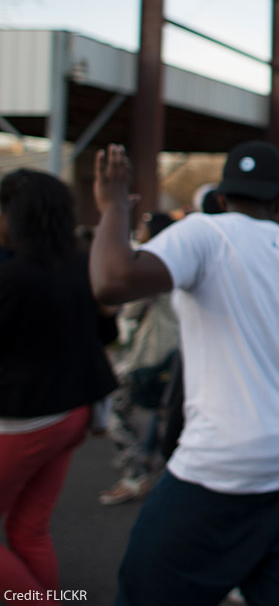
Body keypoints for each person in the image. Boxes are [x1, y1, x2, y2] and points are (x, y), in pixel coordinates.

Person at [90, 142, 279, 605]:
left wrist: (112, 206)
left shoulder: (204, 234)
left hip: (221, 463)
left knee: (144, 587)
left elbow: (111, 280)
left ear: (225, 196)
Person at [0, 169, 118, 600]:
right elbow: (105, 334)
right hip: (73, 414)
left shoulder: (14, 279)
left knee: (27, 527)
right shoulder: (83, 264)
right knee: (29, 527)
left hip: (26, 418)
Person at [100, 212, 180, 506]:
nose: (140, 231)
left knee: (116, 411)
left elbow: (129, 309)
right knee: (166, 414)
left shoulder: (152, 265)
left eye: (144, 227)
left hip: (151, 354)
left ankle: (136, 474)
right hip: (178, 354)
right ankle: (157, 471)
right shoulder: (182, 261)